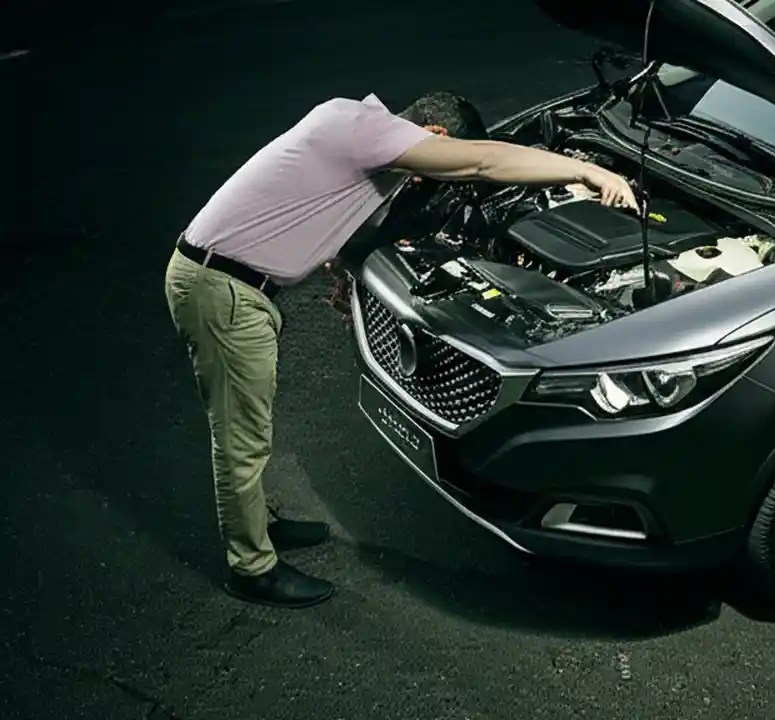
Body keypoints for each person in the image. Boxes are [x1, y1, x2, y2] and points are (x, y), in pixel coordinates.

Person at [163, 91, 638, 609]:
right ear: (435, 136)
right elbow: (484, 160)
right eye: (436, 161)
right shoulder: (368, 132)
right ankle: (251, 568)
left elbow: (319, 206)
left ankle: (259, 524)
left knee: (249, 421)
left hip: (229, 281)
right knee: (240, 435)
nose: (428, 178)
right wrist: (586, 173)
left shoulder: (351, 121)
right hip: (223, 288)